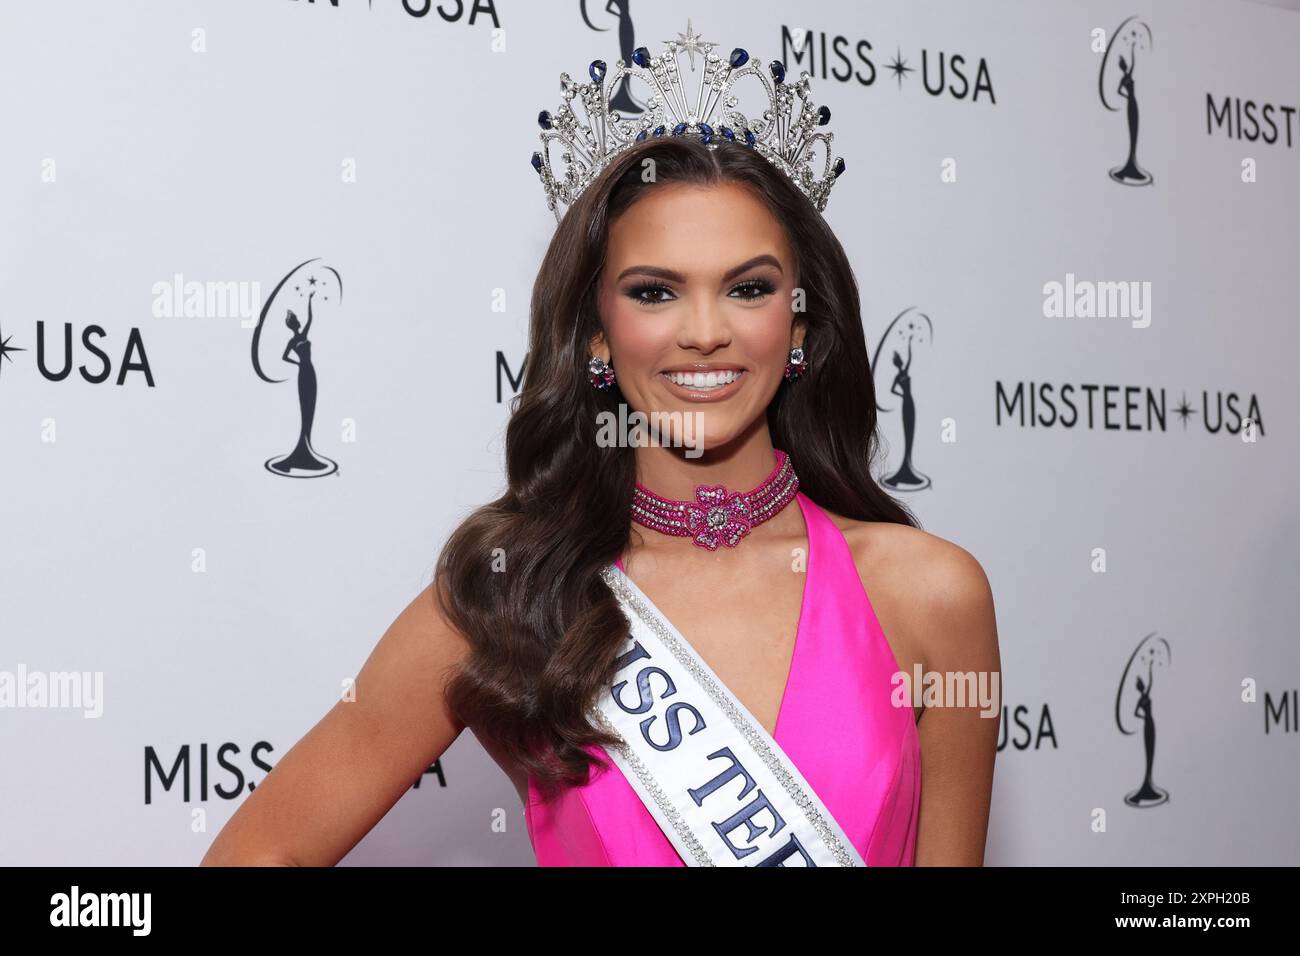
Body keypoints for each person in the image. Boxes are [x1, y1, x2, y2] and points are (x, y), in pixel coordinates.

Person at [202, 29, 1000, 868]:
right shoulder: (519, 594)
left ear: (797, 327)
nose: (704, 333)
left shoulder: (929, 595)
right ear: (595, 338)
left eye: (749, 289)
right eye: (655, 292)